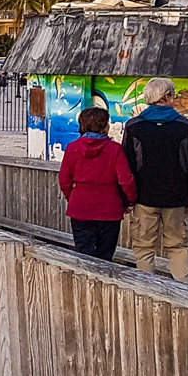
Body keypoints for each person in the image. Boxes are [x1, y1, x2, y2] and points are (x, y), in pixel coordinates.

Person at [122, 76, 188, 281]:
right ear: (168, 97)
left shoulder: (133, 126)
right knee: (177, 247)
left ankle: (145, 292)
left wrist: (128, 199)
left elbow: (127, 166)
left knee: (143, 247)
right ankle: (184, 292)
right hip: (177, 198)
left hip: (144, 198)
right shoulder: (185, 126)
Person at [59, 106, 137, 261]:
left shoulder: (72, 148)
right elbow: (126, 180)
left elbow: (64, 180)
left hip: (81, 207)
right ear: (105, 126)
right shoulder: (115, 150)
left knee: (83, 255)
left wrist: (72, 198)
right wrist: (130, 201)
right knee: (105, 257)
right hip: (109, 209)